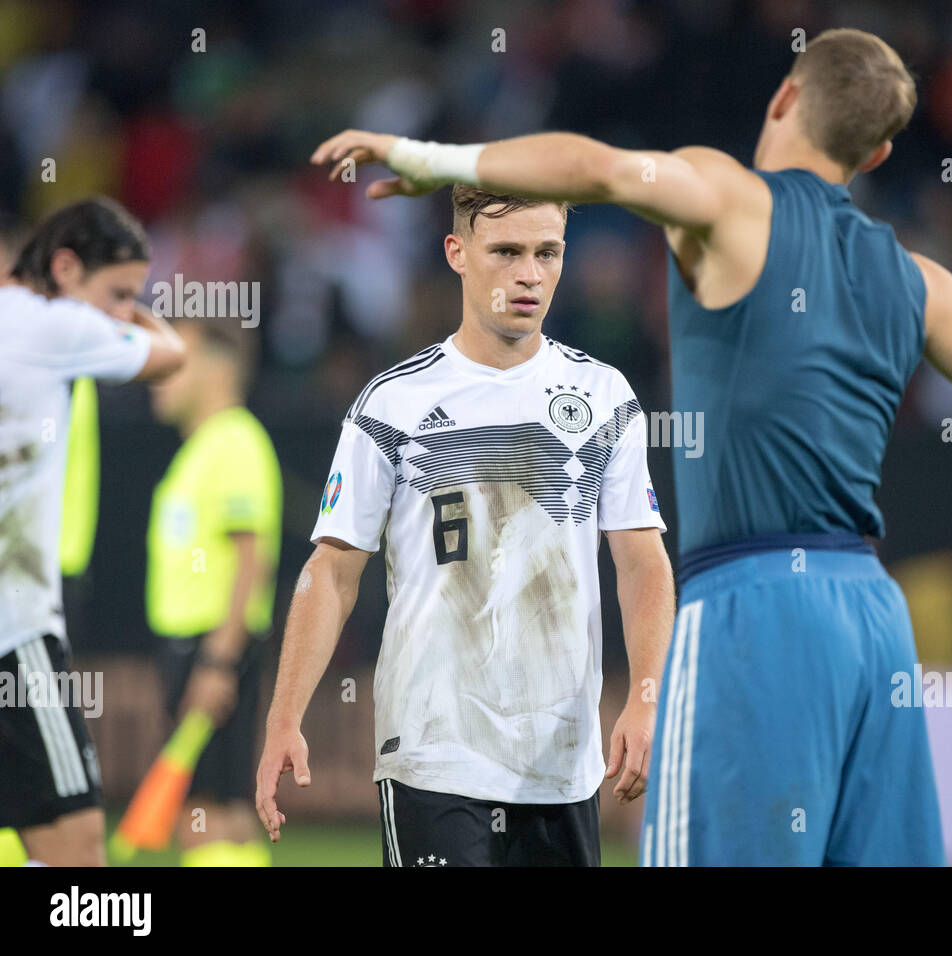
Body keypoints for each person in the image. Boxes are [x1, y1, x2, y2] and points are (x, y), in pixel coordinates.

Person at [310, 26, 952, 865]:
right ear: (873, 159)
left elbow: (604, 170)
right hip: (875, 620)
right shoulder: (917, 281)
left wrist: (435, 160)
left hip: (753, 612)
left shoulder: (728, 198)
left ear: (784, 96)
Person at [255, 186, 674, 866]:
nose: (529, 273)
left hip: (561, 761)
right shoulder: (393, 402)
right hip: (433, 753)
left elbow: (642, 563)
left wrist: (647, 699)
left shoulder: (604, 396)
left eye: (547, 253)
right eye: (506, 251)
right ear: (457, 252)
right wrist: (284, 716)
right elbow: (331, 571)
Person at [0, 197, 185, 866]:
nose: (117, 310)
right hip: (14, 635)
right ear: (66, 266)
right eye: (116, 292)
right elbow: (171, 355)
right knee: (80, 859)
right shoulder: (55, 328)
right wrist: (134, 318)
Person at [146, 316, 281, 867]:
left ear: (215, 368)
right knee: (208, 810)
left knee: (212, 815)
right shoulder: (204, 447)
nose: (158, 376)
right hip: (193, 649)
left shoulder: (235, 442)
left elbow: (255, 561)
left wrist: (217, 662)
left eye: (174, 362)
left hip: (213, 649)